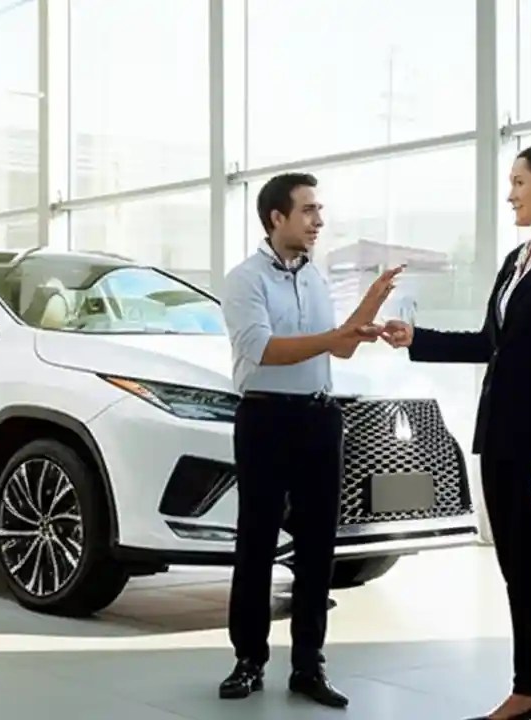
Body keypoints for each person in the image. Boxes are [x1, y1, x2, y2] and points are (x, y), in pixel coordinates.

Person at [382, 141, 531, 720]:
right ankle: (528, 690)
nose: (510, 193)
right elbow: (491, 343)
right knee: (516, 570)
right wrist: (418, 339)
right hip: (501, 438)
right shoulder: (518, 260)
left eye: (519, 182)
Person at [219, 172, 402, 708]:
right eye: (308, 211)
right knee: (256, 542)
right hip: (265, 419)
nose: (319, 221)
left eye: (319, 211)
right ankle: (248, 660)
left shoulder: (315, 279)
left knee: (319, 547)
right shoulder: (245, 280)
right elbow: (264, 350)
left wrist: (367, 308)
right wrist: (336, 335)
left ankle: (308, 666)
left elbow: (337, 352)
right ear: (276, 218)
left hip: (320, 420)